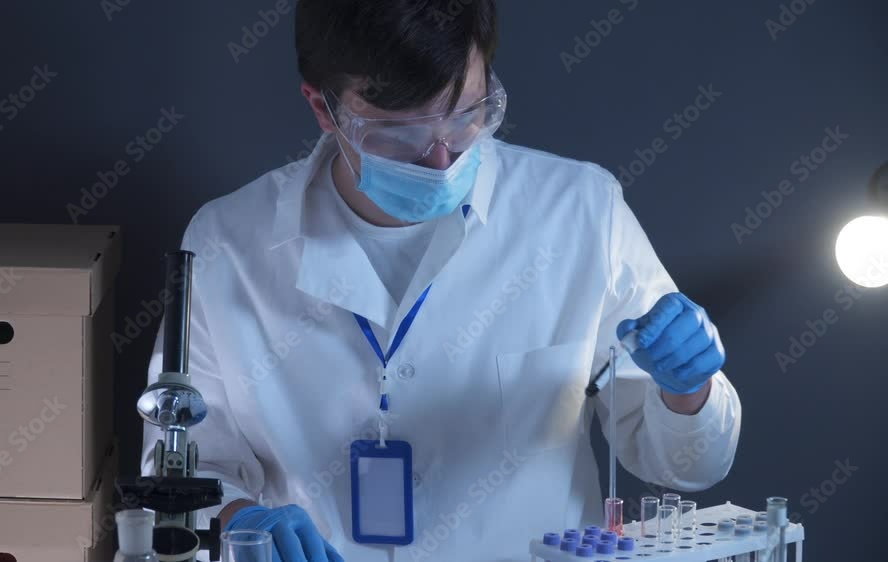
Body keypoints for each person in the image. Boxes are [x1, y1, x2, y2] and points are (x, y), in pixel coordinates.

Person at [141, 1, 741, 561]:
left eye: (465, 115)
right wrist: (240, 519)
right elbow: (184, 467)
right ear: (323, 108)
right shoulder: (227, 245)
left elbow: (686, 465)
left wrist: (686, 391)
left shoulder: (581, 213)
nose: (441, 158)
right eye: (400, 133)